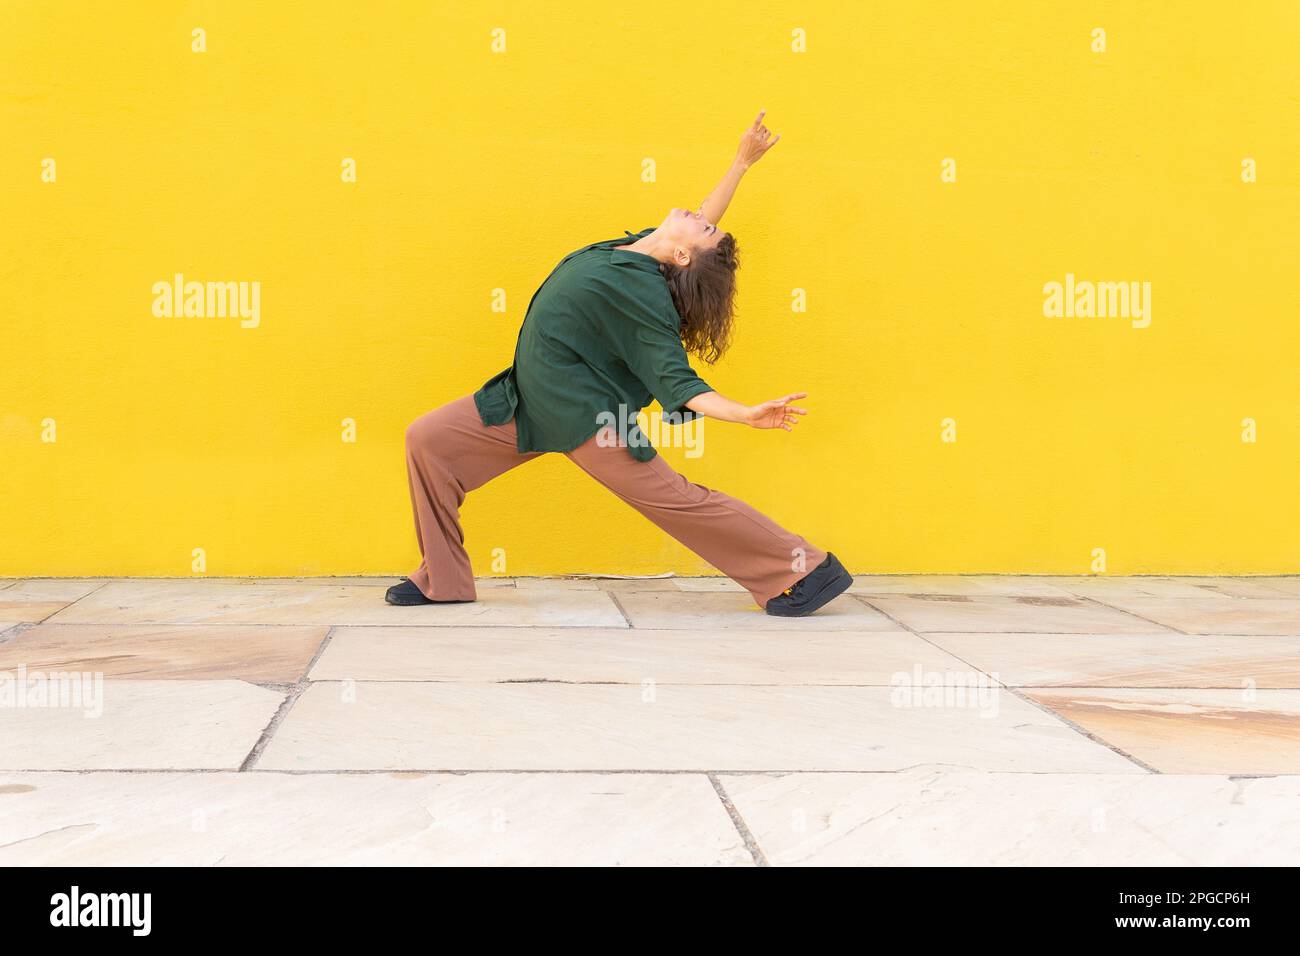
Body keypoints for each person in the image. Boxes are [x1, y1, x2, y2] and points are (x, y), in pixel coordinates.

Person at [388, 112, 851, 617]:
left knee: (677, 500)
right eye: (707, 222)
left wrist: (743, 413)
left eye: (704, 228)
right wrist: (740, 163)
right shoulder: (642, 249)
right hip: (527, 399)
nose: (702, 216)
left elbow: (677, 379)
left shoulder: (643, 291)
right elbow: (701, 222)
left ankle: (804, 567)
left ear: (680, 254)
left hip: (586, 417)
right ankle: (444, 579)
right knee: (428, 441)